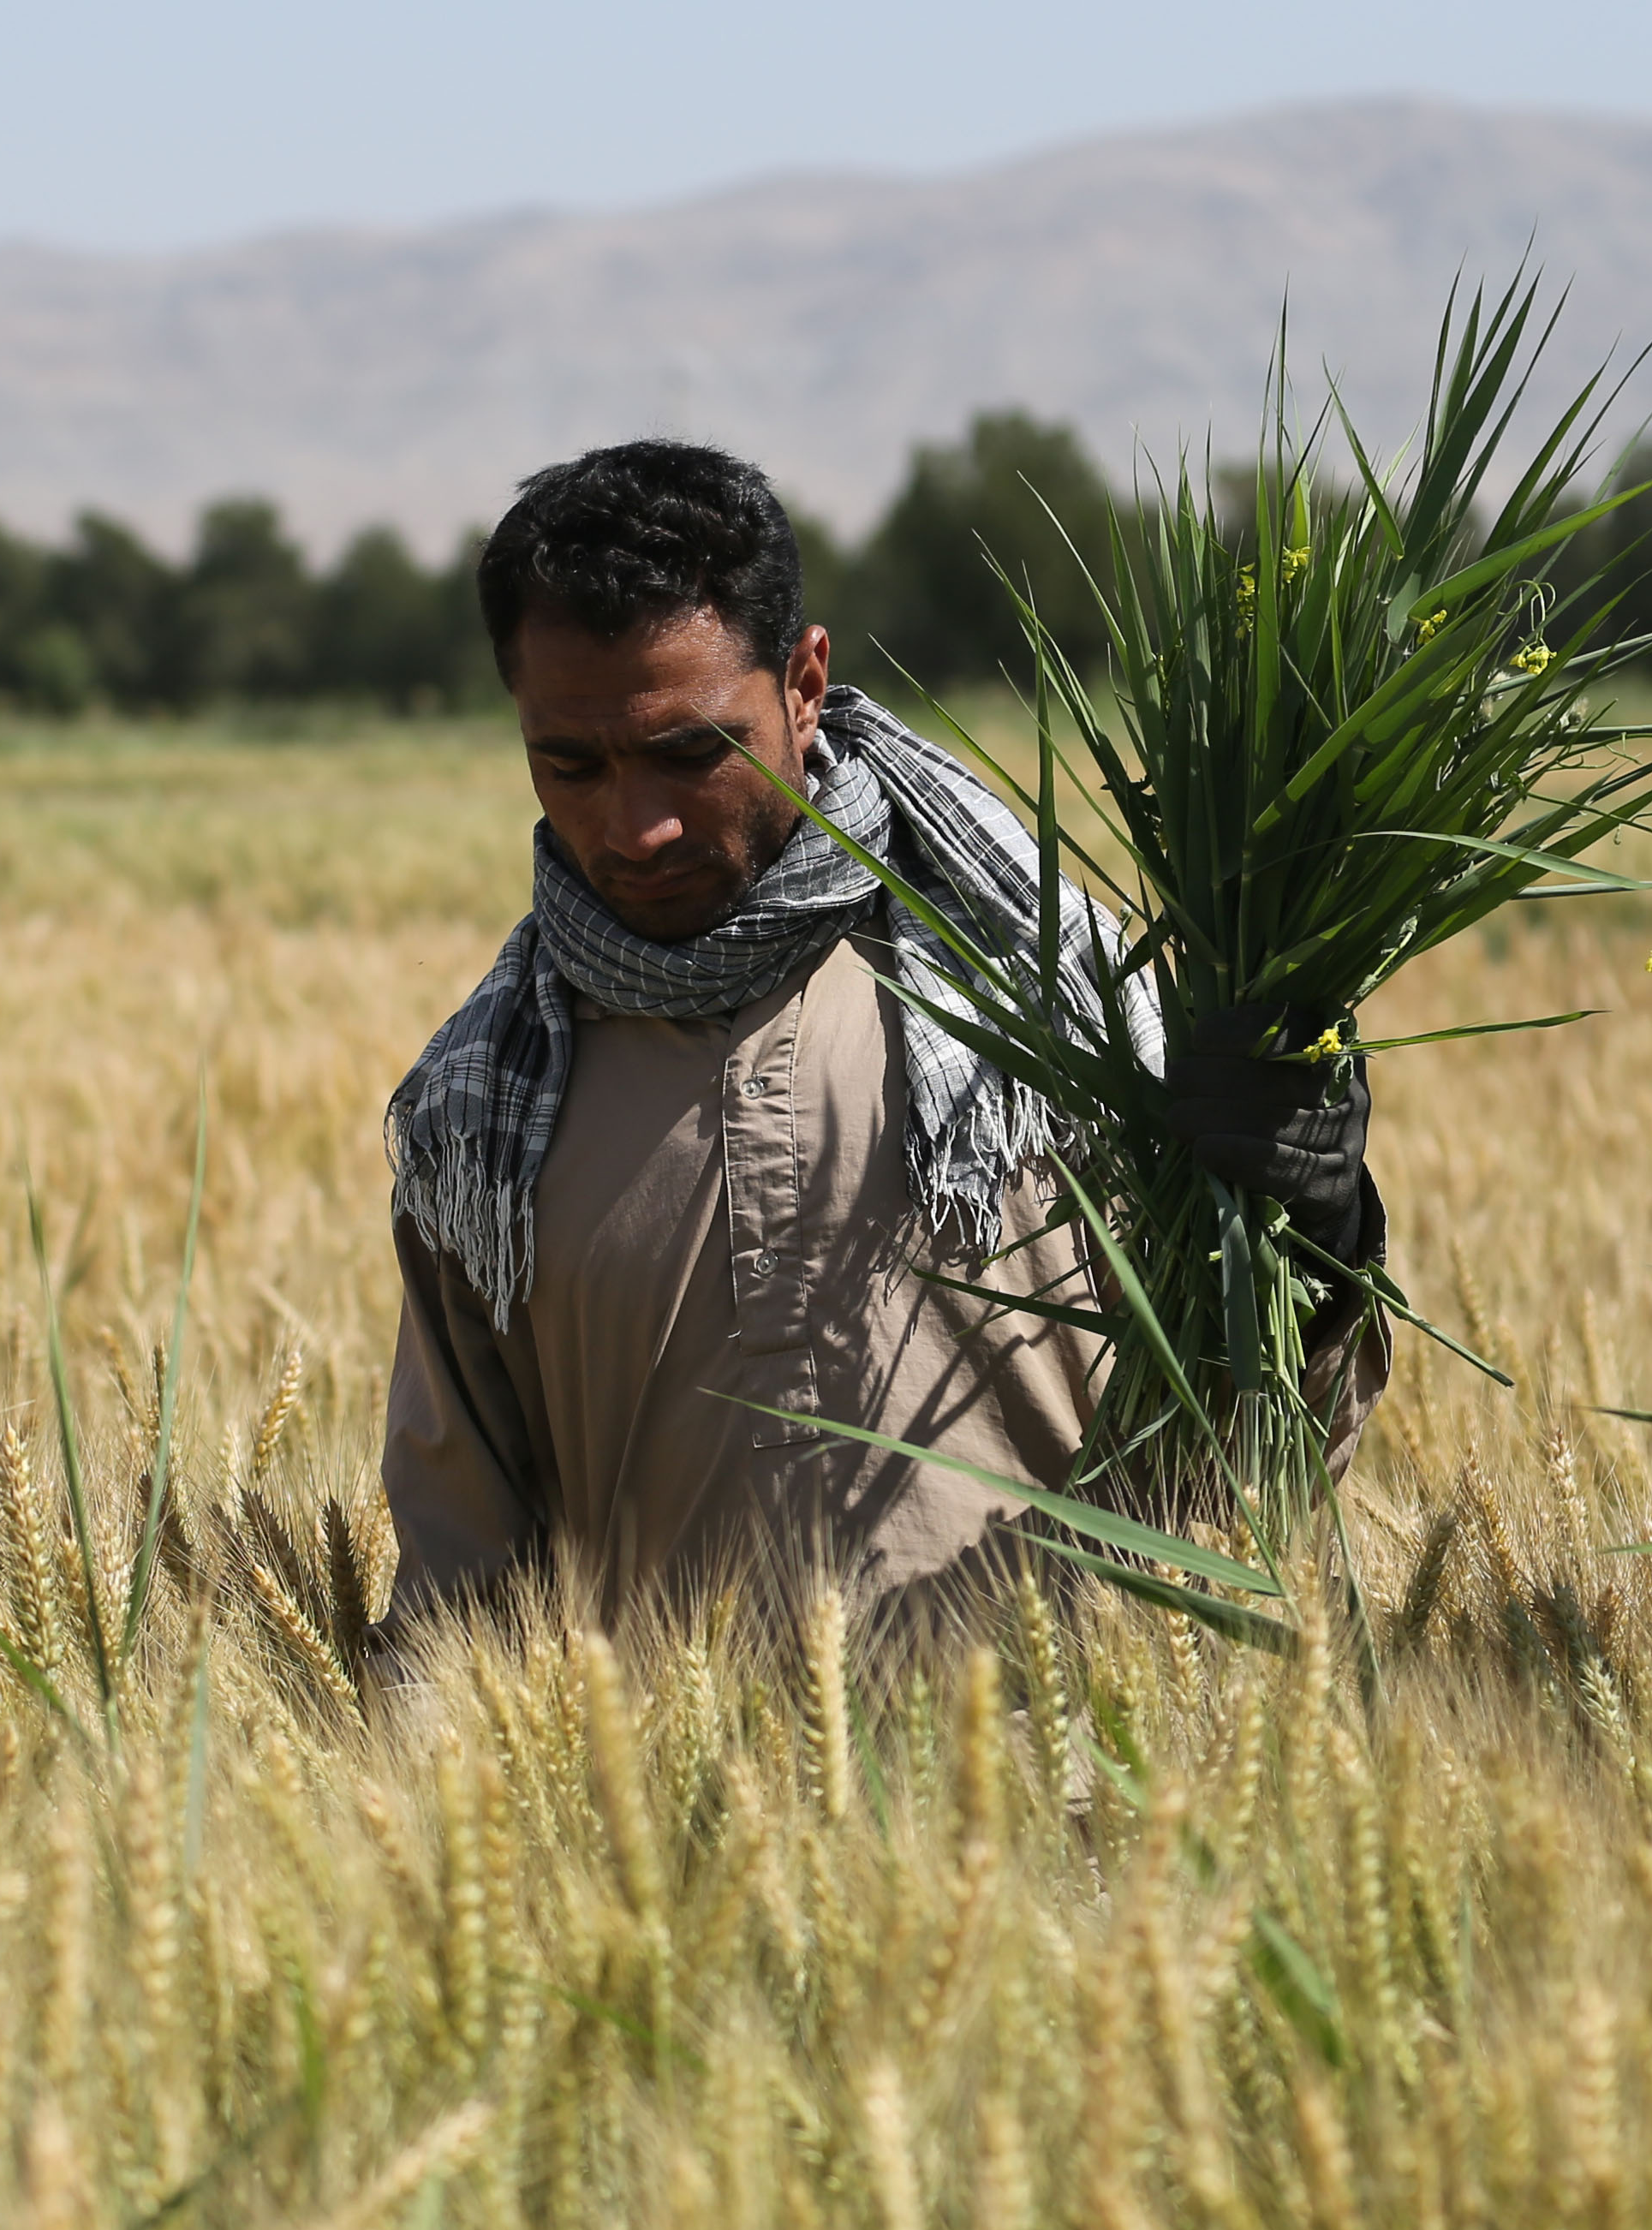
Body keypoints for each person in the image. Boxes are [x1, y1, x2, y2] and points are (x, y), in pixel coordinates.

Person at [379, 440, 1387, 1641]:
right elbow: (458, 1605)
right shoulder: (482, 1119)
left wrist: (1322, 1235)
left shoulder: (1071, 1002)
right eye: (570, 763)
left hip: (1089, 1754)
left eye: (691, 752)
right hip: (658, 1766)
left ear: (804, 683)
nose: (635, 826)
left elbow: (1257, 1464)